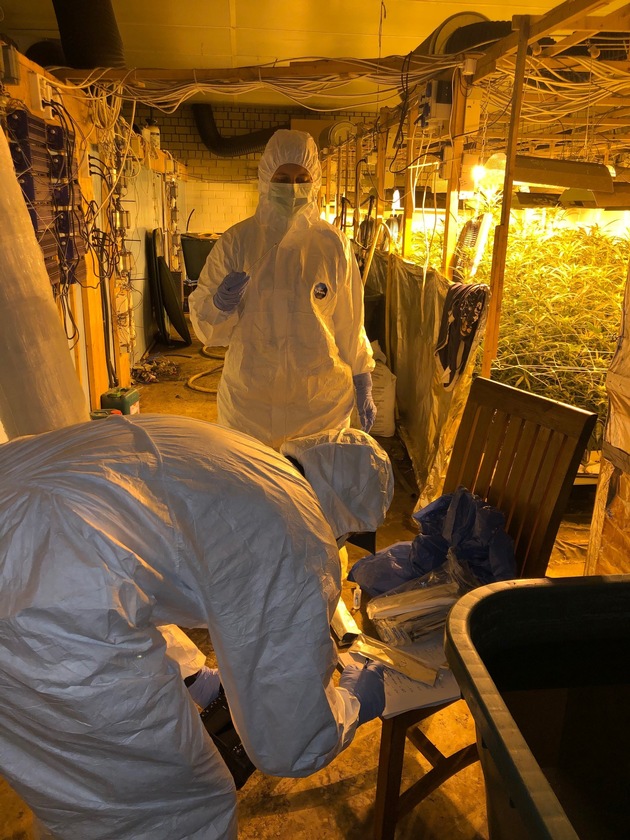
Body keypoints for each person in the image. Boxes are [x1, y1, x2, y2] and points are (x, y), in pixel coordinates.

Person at [0, 415, 393, 840]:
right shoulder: (300, 537)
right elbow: (289, 741)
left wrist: (192, 673)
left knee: (81, 788)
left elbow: (128, 563)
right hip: (39, 616)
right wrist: (351, 705)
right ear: (348, 517)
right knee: (174, 807)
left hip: (19, 505)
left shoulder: (246, 458)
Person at [189, 129, 377, 450]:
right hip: (251, 405)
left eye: (302, 178)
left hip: (318, 404)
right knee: (252, 478)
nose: (292, 188)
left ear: (314, 181)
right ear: (266, 178)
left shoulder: (333, 245)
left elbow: (349, 320)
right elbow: (207, 328)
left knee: (312, 477)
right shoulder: (237, 242)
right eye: (283, 178)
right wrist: (219, 304)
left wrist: (362, 376)